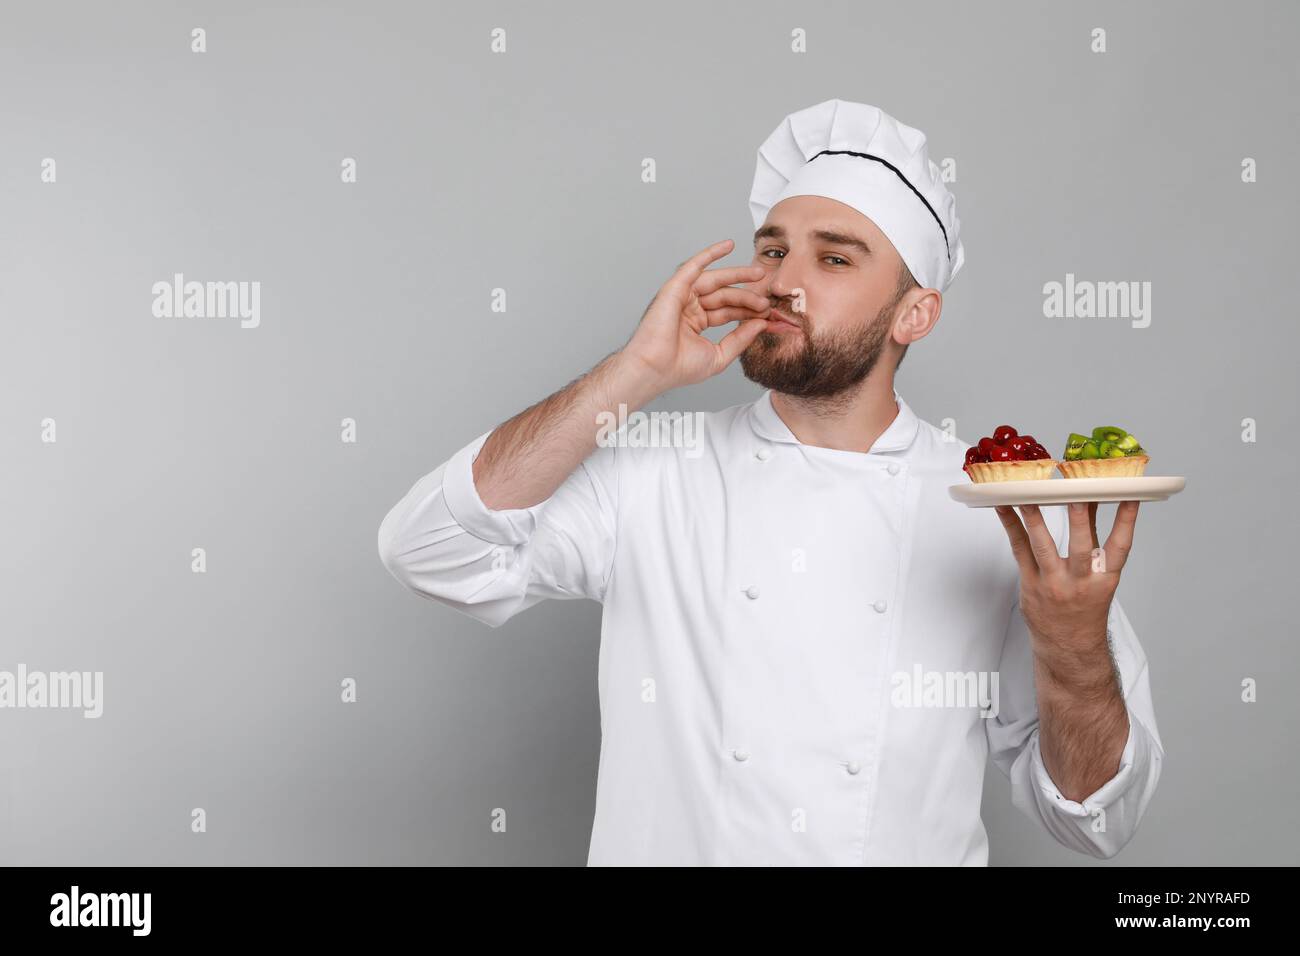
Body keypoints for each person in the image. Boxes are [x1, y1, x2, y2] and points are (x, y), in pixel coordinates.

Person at [378, 99, 1163, 865]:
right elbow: (429, 551)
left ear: (914, 315)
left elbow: (1093, 818)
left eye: (834, 257)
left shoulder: (1005, 510)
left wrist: (1071, 647)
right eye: (774, 250)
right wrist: (633, 372)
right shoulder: (654, 467)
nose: (784, 280)